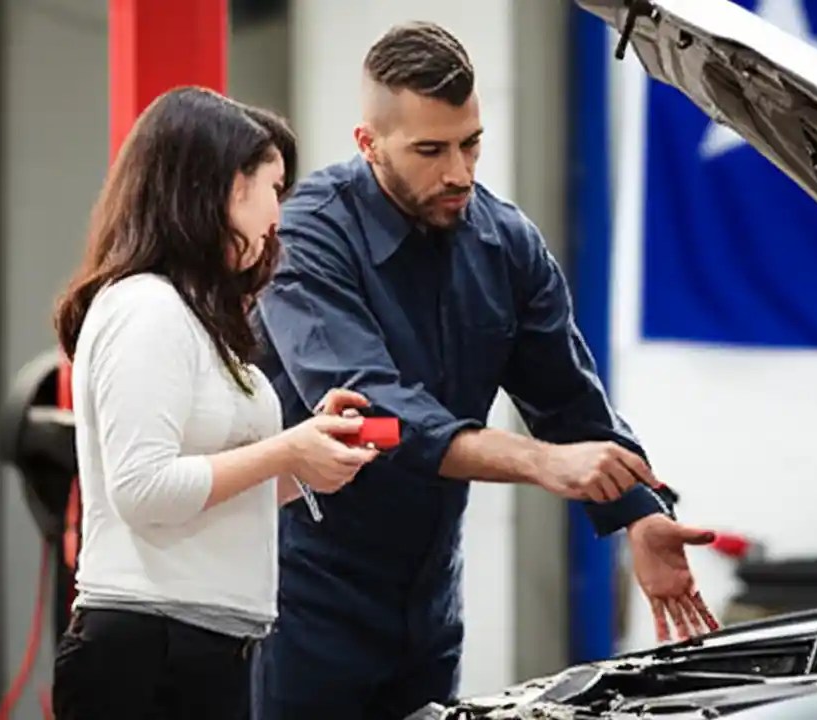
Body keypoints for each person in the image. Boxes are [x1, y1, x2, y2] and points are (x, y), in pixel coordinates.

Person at [250, 21, 720, 719]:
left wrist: (641, 515)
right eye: (430, 150)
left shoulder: (507, 243)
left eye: (471, 144)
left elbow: (571, 402)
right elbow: (368, 417)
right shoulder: (309, 236)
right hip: (304, 595)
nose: (459, 174)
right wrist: (539, 464)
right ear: (368, 144)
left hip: (430, 600)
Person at [49, 86, 383, 719]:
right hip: (147, 652)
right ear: (224, 188)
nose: (278, 217)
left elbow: (209, 482)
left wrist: (307, 460)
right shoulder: (145, 308)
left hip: (207, 649)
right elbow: (144, 489)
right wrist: (285, 448)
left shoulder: (198, 319)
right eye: (273, 189)